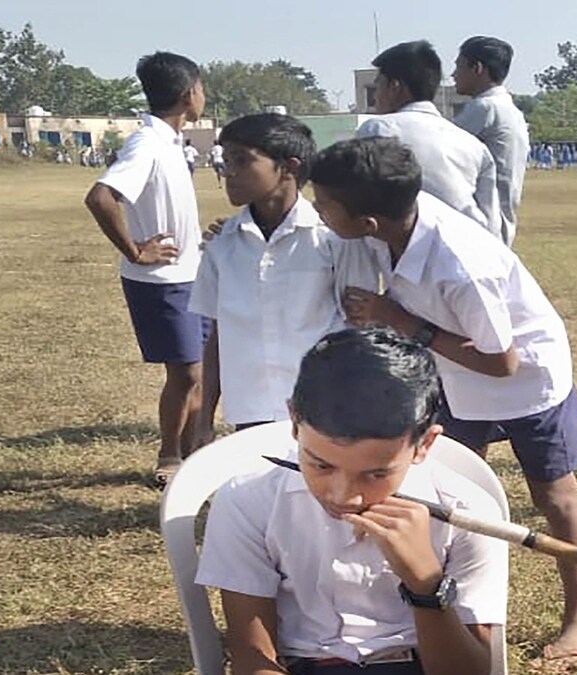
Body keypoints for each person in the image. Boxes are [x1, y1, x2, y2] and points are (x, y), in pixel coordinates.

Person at [311, 137, 577, 662]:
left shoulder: (459, 263)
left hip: (527, 382)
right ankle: (442, 613)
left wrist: (403, 323)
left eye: (325, 204)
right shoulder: (389, 227)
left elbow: (503, 362)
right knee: (445, 495)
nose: (317, 209)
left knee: (556, 498)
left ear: (369, 221)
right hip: (455, 378)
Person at [196, 327, 508, 675]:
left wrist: (426, 584)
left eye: (376, 474)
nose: (344, 496)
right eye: (321, 464)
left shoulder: (466, 511)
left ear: (424, 445)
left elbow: (471, 671)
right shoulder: (248, 501)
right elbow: (253, 657)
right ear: (295, 422)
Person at [188, 113, 378, 443]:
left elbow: (361, 327)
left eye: (242, 160)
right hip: (251, 409)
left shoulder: (334, 238)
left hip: (326, 405)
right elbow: (219, 334)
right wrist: (203, 418)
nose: (228, 171)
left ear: (289, 168)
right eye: (226, 159)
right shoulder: (222, 244)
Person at [84, 52, 208, 488]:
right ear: (188, 94)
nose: (203, 96)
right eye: (201, 87)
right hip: (162, 281)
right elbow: (101, 197)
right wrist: (136, 251)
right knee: (186, 372)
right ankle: (170, 452)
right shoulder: (147, 143)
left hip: (193, 274)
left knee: (202, 370)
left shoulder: (173, 143)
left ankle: (194, 450)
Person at [356, 40, 504, 244]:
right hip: (467, 249)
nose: (376, 98)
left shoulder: (377, 129)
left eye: (378, 86)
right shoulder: (473, 145)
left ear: (395, 87)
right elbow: (491, 221)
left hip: (409, 252)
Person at [453, 36, 531, 245]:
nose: (453, 75)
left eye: (459, 66)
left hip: (481, 219)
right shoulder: (509, 109)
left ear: (477, 68)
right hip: (500, 218)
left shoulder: (484, 108)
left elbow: (442, 147)